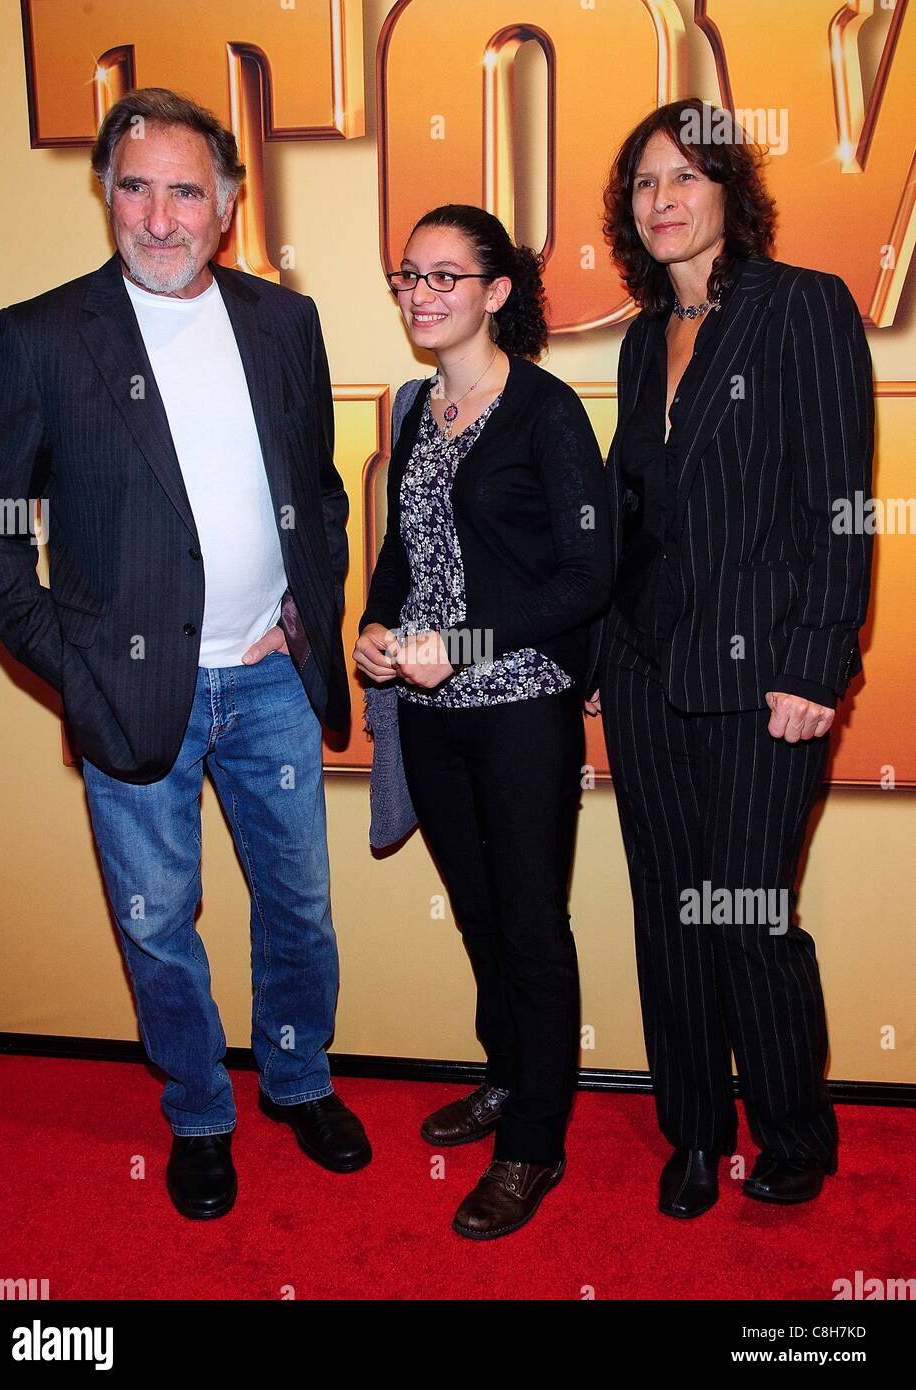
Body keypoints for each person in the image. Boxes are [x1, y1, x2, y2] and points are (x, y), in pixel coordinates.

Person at [0, 87, 370, 1221]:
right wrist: (68, 659)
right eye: (133, 186)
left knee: (298, 905)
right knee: (156, 920)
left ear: (227, 205)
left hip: (273, 682)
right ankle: (198, 1108)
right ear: (106, 195)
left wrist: (311, 599)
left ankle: (296, 1077)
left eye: (184, 189)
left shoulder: (284, 322)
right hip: (132, 693)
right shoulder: (43, 334)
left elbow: (320, 492)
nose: (157, 214)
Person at [589, 99, 874, 1217]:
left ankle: (793, 1128)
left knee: (747, 907)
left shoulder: (802, 307)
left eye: (685, 178)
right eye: (644, 184)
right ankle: (695, 1131)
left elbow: (843, 504)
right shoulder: (635, 337)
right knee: (667, 907)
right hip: (650, 670)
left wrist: (816, 663)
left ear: (728, 195)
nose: (662, 200)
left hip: (768, 680)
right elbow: (636, 510)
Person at [354, 204, 613, 1239]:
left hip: (521, 712)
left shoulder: (547, 413)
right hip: (429, 715)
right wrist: (374, 626)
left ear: (497, 292)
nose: (422, 293)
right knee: (476, 913)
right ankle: (507, 1077)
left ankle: (533, 1145)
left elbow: (586, 579)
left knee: (532, 925)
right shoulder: (420, 406)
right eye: (409, 275)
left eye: (446, 276)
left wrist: (456, 645)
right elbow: (400, 550)